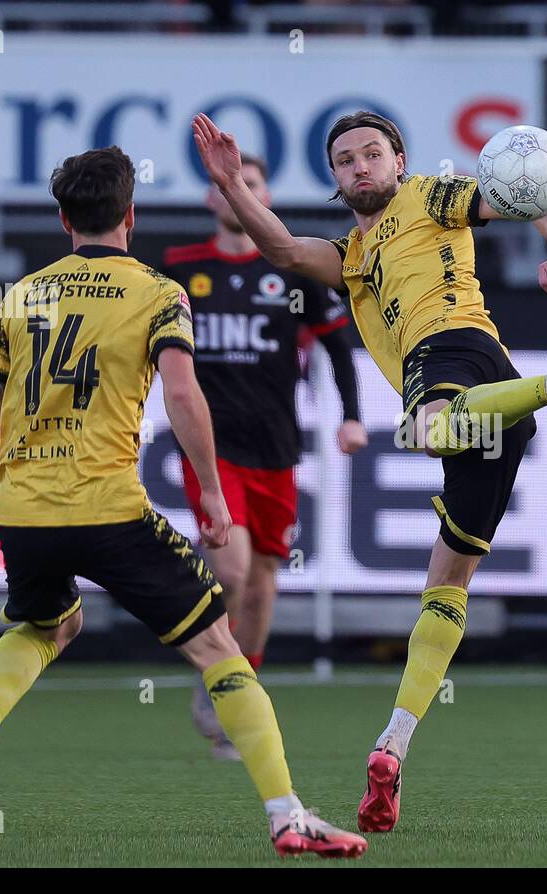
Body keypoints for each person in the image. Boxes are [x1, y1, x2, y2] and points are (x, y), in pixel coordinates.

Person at [0, 145, 366, 858]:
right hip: (108, 509)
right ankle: (288, 815)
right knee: (219, 648)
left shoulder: (23, 294)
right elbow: (183, 394)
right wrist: (214, 494)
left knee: (47, 628)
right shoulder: (159, 292)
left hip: (22, 511)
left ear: (64, 219)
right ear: (129, 215)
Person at [192, 109, 547, 832]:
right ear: (335, 178)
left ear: (400, 161)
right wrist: (233, 185)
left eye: (372, 154)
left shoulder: (430, 195)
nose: (360, 167)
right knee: (448, 582)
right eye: (345, 160)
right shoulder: (352, 254)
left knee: (423, 428)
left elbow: (529, 190)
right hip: (492, 402)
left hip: (452, 350)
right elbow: (289, 251)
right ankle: (394, 745)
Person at [163, 157, 368, 760]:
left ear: (266, 196)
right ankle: (215, 673)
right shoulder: (179, 270)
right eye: (231, 184)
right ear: (211, 198)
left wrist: (352, 417)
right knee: (229, 572)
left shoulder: (293, 271)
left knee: (261, 583)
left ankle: (236, 686)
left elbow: (339, 347)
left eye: (250, 185)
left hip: (277, 449)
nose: (239, 193)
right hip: (211, 448)